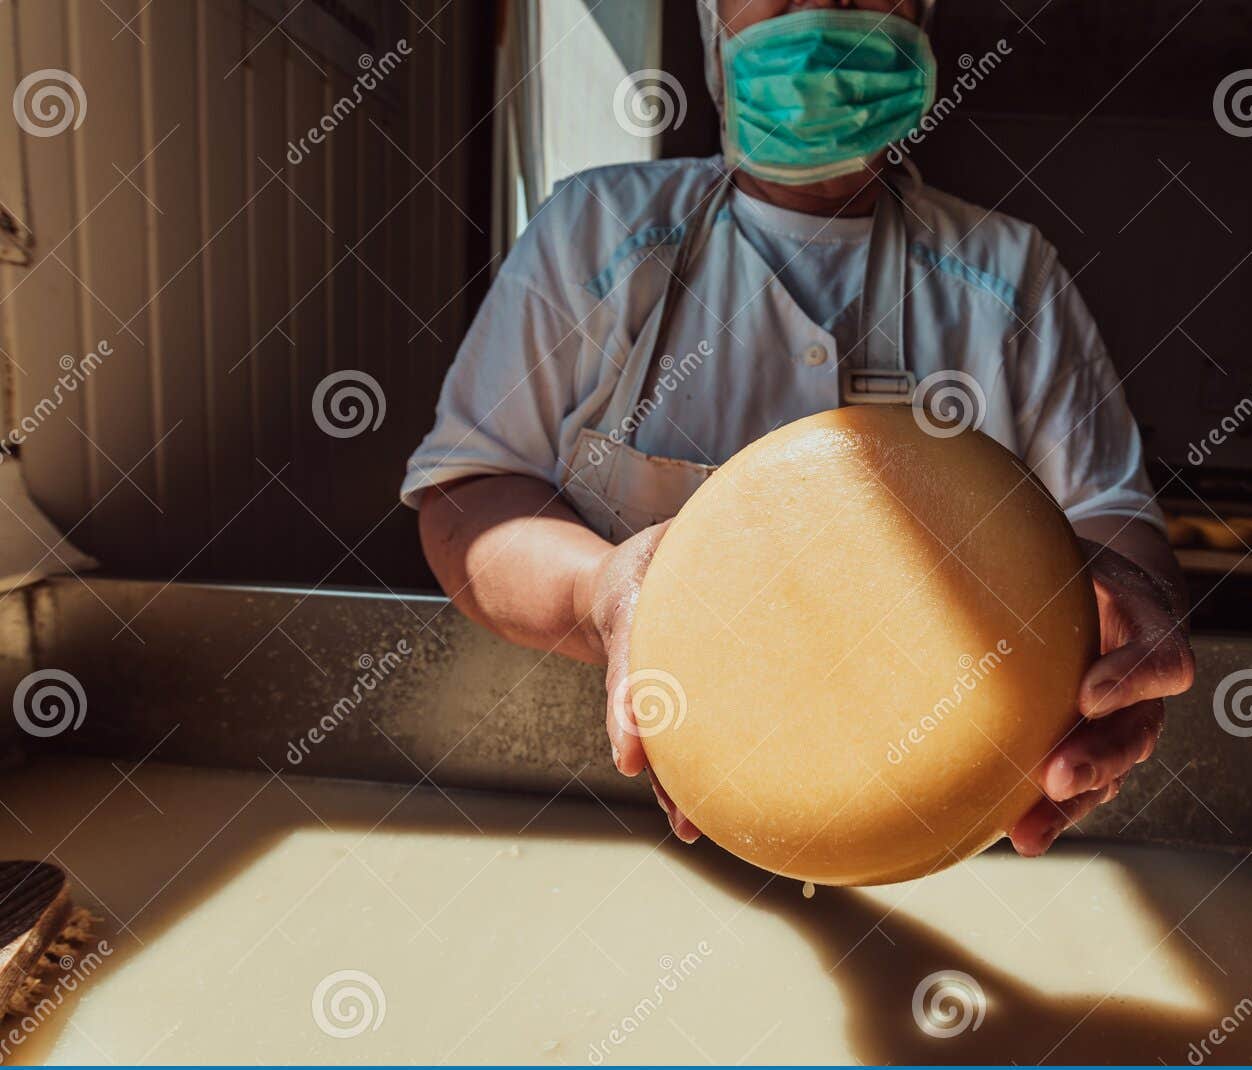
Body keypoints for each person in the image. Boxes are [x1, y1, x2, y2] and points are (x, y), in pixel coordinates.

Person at [402, 0, 1194, 857]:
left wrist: (1120, 633)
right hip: (584, 821)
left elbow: (1111, 525)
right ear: (712, 19)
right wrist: (602, 592)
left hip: (939, 825)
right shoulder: (594, 234)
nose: (824, 5)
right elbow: (467, 497)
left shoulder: (1007, 277)